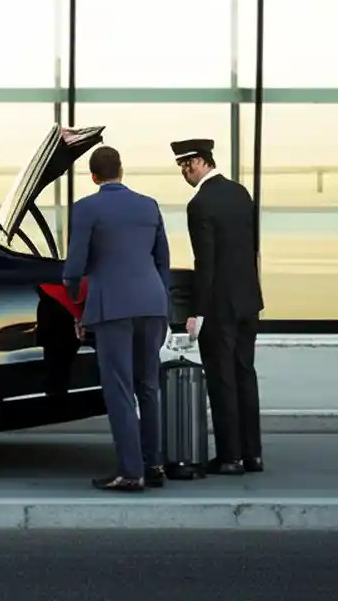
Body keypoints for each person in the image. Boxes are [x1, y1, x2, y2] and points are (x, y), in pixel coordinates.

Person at [63, 146, 171, 492]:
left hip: (113, 309)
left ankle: (130, 472)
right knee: (148, 386)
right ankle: (154, 465)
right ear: (121, 171)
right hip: (153, 305)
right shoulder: (149, 205)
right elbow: (162, 261)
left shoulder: (85, 208)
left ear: (93, 177)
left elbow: (74, 270)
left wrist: (78, 308)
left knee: (120, 390)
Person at [171, 138, 265, 475]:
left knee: (221, 379)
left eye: (184, 166)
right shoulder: (241, 193)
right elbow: (251, 248)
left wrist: (198, 312)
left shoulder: (200, 204)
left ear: (197, 162)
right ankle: (253, 455)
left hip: (220, 305)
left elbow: (205, 263)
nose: (183, 172)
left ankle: (230, 457)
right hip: (248, 300)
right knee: (245, 374)